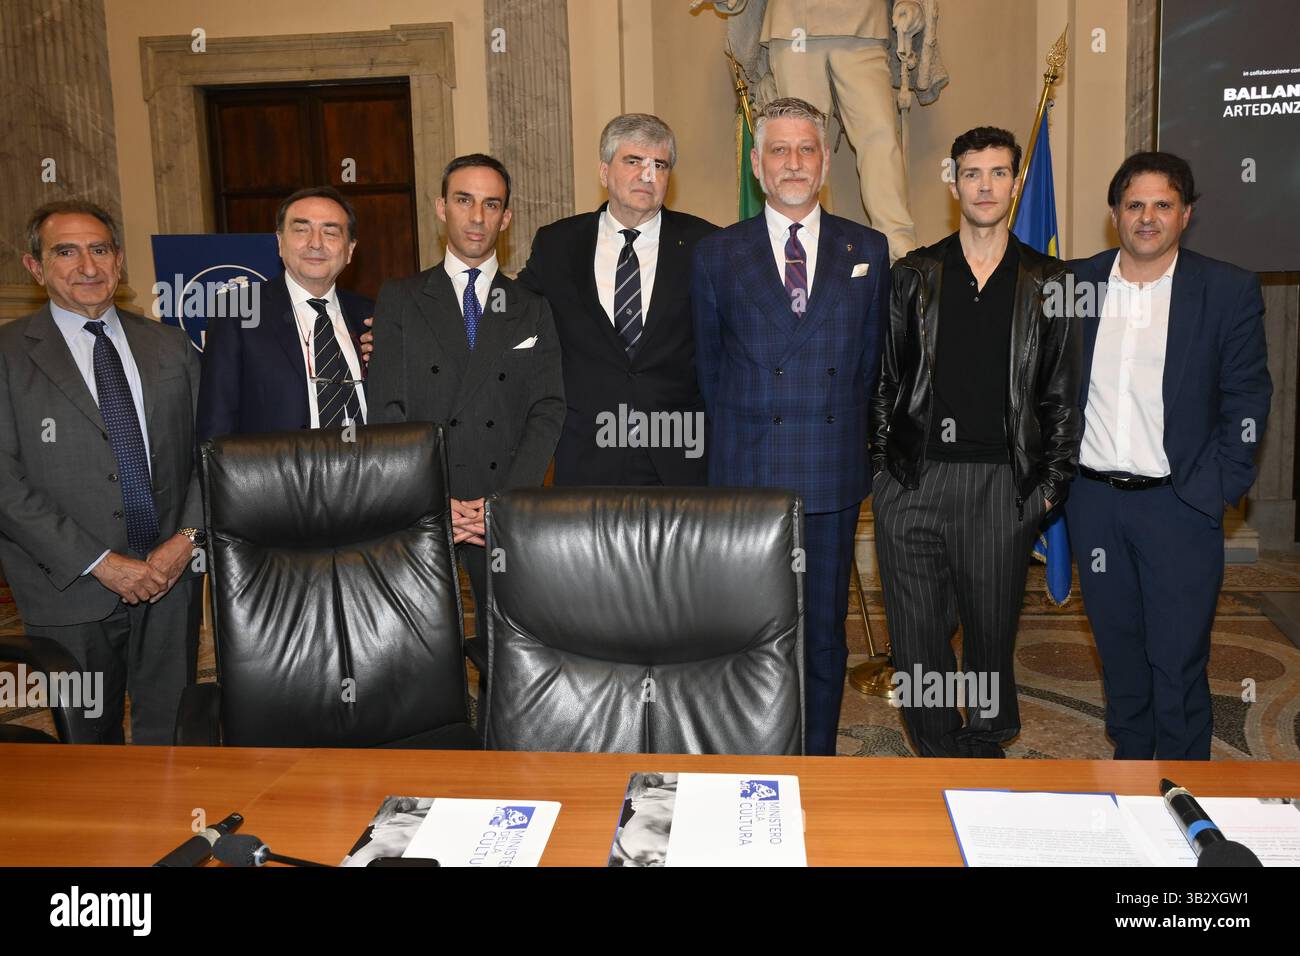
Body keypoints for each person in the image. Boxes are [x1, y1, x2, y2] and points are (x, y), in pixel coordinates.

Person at [868, 126, 1082, 758]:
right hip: (915, 480)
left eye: (997, 173)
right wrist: (884, 472)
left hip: (1001, 485)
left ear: (1015, 183)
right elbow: (885, 380)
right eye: (971, 173)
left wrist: (1050, 489)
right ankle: (934, 746)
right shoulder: (914, 274)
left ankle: (987, 741)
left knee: (990, 633)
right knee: (916, 633)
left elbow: (1064, 395)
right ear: (952, 182)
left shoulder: (1050, 280)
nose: (984, 186)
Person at [693, 97, 889, 756]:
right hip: (747, 477)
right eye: (779, 150)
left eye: (807, 149)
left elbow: (869, 364)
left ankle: (818, 762)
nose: (794, 162)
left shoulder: (869, 248)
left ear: (826, 160)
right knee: (751, 631)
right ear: (757, 164)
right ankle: (755, 758)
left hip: (829, 470)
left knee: (825, 635)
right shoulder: (717, 253)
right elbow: (708, 371)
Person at [1065, 152, 1271, 760]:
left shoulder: (1226, 289)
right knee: (1119, 651)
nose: (1147, 217)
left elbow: (1248, 398)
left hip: (1180, 507)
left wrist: (1218, 488)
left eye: (1162, 205)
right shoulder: (1074, 286)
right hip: (1095, 504)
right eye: (1135, 205)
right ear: (1114, 215)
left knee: (1177, 657)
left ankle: (1186, 789)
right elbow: (1044, 387)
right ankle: (1132, 776)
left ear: (1186, 214)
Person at [0, 200, 204, 743]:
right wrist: (102, 563)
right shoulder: (7, 355)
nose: (86, 267)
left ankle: (172, 829)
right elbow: (4, 485)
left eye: (99, 250)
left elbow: (208, 455)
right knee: (89, 746)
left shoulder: (171, 345)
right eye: (65, 252)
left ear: (118, 261)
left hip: (171, 579)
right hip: (67, 588)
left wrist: (184, 541)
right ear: (36, 268)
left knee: (174, 739)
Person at [366, 154, 564, 626]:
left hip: (500, 504)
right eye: (464, 200)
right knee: (422, 644)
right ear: (441, 207)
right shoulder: (402, 297)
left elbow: (548, 408)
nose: (477, 217)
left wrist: (504, 500)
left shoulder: (532, 308)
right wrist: (433, 498)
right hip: (427, 503)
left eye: (491, 204)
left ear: (506, 217)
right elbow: (387, 408)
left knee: (511, 644)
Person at [516, 114, 717, 485]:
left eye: (660, 164)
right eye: (634, 161)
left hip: (680, 456)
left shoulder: (707, 245)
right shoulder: (558, 244)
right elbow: (510, 317)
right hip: (587, 454)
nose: (648, 175)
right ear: (604, 172)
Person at [196, 186, 373, 441]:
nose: (315, 243)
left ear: (350, 250)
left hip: (371, 472)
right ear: (280, 242)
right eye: (301, 230)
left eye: (330, 232)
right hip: (279, 477)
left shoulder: (371, 314)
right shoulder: (238, 312)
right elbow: (216, 423)